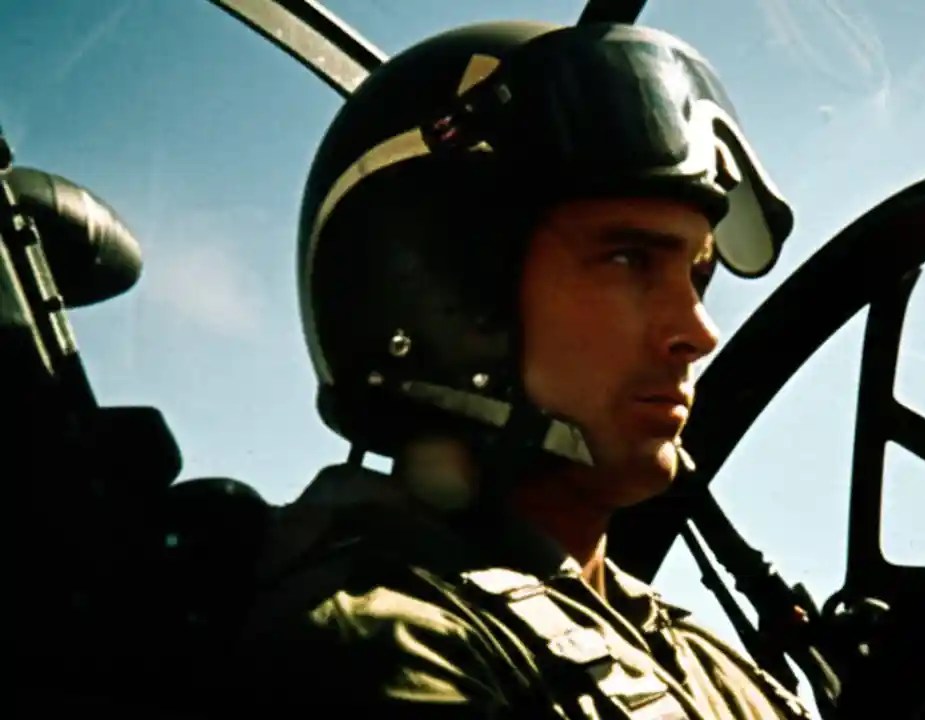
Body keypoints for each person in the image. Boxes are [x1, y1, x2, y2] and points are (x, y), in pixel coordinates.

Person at [232, 18, 812, 719]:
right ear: (449, 296)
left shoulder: (693, 654)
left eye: (695, 275)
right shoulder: (378, 642)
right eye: (629, 261)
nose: (698, 332)